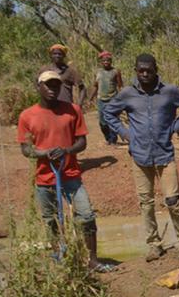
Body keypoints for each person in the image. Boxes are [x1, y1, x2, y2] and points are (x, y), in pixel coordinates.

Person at [103, 53, 179, 262]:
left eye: (149, 70)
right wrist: (125, 133)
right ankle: (154, 244)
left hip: (165, 153)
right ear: (135, 71)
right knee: (145, 202)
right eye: (141, 70)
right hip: (139, 155)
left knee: (173, 200)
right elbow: (109, 113)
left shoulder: (170, 92)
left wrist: (178, 126)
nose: (145, 74)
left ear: (156, 69)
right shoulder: (127, 93)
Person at [17, 70, 111, 272]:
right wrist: (44, 153)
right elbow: (25, 149)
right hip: (44, 178)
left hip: (70, 175)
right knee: (50, 220)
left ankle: (92, 260)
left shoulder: (73, 110)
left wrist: (66, 150)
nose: (53, 89)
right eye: (48, 85)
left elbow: (82, 142)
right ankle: (60, 258)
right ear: (38, 86)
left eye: (56, 85)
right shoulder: (26, 116)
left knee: (86, 216)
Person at [89, 51, 123, 145]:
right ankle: (108, 138)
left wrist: (121, 98)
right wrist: (90, 98)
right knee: (102, 122)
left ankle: (113, 140)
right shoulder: (98, 72)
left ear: (111, 61)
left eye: (108, 60)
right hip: (101, 100)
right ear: (101, 62)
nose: (106, 62)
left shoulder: (115, 71)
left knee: (112, 119)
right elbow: (96, 86)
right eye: (104, 61)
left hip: (113, 99)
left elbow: (120, 85)